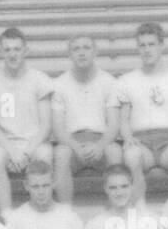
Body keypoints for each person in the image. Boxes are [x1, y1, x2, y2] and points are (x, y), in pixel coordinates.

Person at [110, 22, 168, 201]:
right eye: (142, 45)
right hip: (142, 143)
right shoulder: (127, 80)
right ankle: (138, 210)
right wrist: (128, 138)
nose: (147, 50)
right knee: (131, 155)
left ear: (161, 45)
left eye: (151, 44)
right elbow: (124, 120)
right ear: (138, 48)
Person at [0, 27, 54, 215]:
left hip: (34, 143)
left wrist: (27, 152)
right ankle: (7, 213)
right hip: (6, 144)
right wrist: (13, 151)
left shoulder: (40, 80)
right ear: (0, 52)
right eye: (7, 50)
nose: (12, 54)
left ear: (25, 51)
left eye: (16, 49)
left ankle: (40, 210)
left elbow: (46, 126)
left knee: (45, 153)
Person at [50, 34, 119, 205]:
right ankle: (66, 211)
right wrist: (75, 146)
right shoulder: (59, 84)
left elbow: (114, 124)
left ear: (95, 52)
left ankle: (118, 208)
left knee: (115, 152)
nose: (81, 53)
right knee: (60, 153)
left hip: (101, 140)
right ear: (69, 54)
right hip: (71, 141)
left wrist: (100, 145)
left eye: (86, 47)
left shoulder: (109, 82)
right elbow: (58, 128)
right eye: (76, 49)